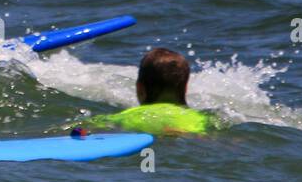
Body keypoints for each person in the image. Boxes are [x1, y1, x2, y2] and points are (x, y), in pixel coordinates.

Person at [84, 47, 215, 134]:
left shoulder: (128, 116)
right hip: (189, 136)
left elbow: (85, 128)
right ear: (185, 88)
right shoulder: (200, 118)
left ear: (140, 88)